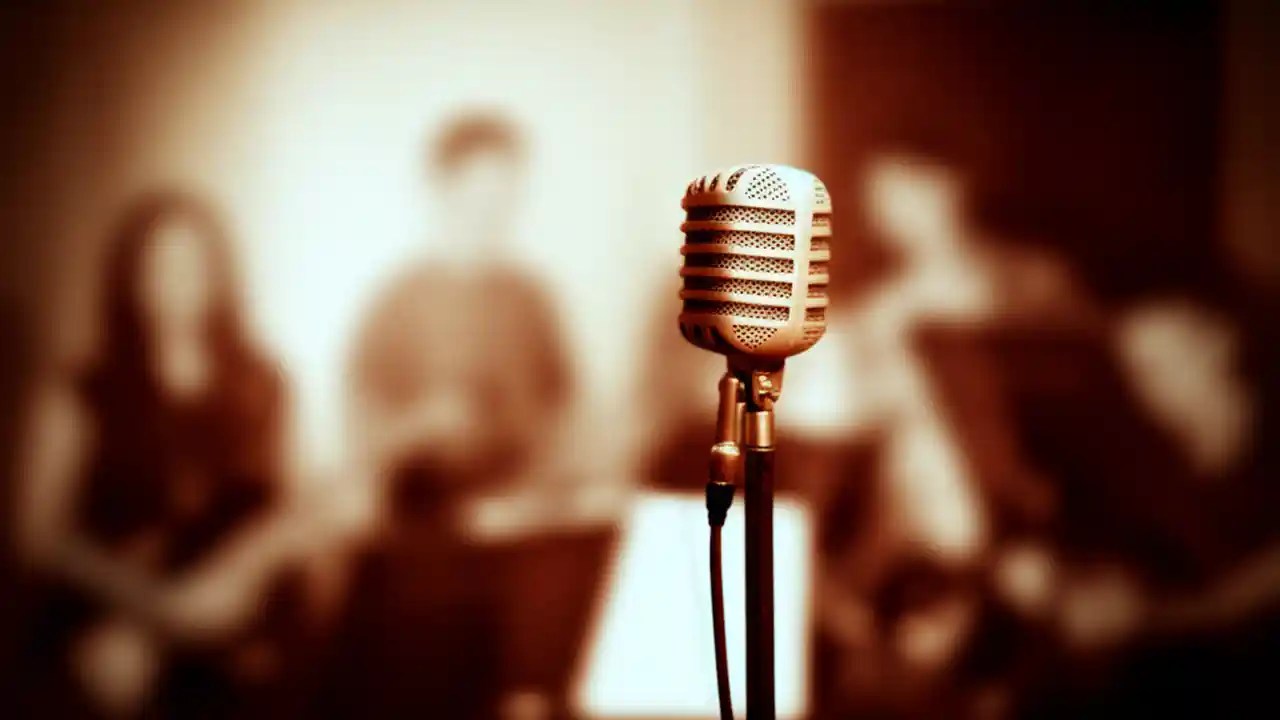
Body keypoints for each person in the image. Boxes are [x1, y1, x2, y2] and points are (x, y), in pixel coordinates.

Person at [321, 112, 604, 719]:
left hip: (526, 525)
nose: (495, 212)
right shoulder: (396, 303)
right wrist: (420, 424)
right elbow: (357, 455)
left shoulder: (532, 298)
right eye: (480, 194)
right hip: (429, 527)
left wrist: (552, 483)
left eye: (507, 195)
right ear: (441, 191)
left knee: (583, 580)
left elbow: (572, 417)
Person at [13, 191, 309, 718]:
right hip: (108, 618)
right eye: (162, 265)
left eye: (195, 263)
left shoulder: (266, 383)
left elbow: (294, 510)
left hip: (231, 624)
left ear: (220, 274)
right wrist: (157, 610)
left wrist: (240, 577)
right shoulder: (79, 390)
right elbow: (38, 535)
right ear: (131, 277)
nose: (180, 281)